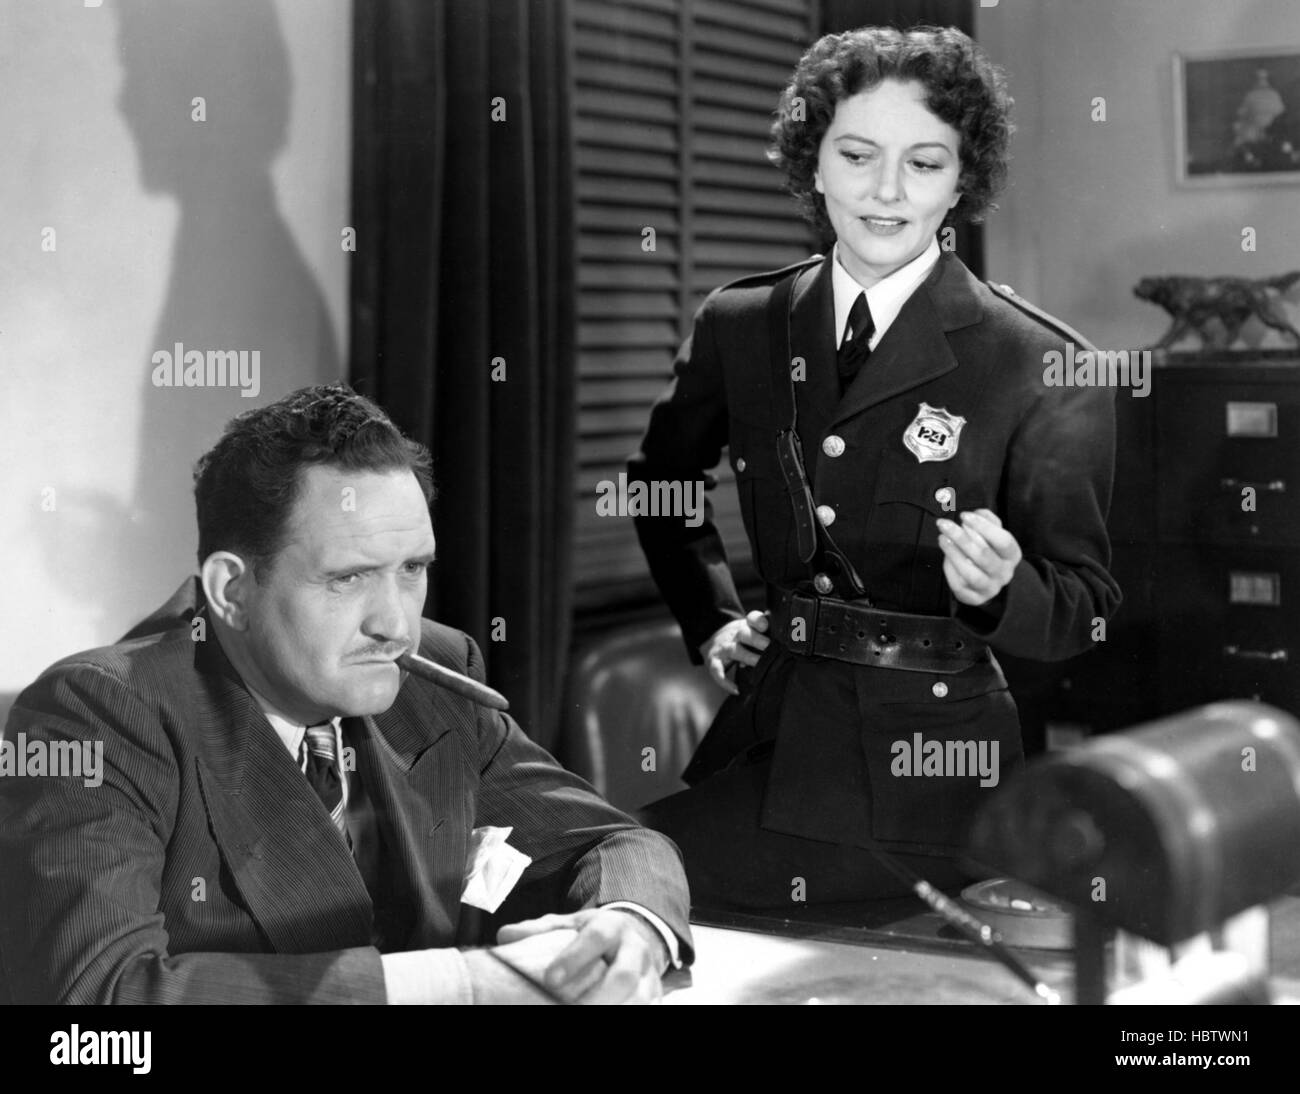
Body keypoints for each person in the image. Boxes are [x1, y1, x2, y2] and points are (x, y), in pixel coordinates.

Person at [629, 26, 1121, 908]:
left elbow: (1085, 609)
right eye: (857, 155)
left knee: (616, 892)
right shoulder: (742, 325)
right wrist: (712, 622)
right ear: (811, 164)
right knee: (587, 886)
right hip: (769, 733)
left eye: (925, 163)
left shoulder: (1043, 362)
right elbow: (660, 487)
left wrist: (1003, 591)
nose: (887, 191)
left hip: (932, 773)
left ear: (963, 181)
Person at [0, 385, 691, 1004]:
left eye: (412, 568)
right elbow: (97, 1000)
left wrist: (631, 922)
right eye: (348, 578)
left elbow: (612, 843)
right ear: (231, 591)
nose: (395, 623)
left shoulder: (434, 672)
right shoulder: (97, 715)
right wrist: (467, 986)